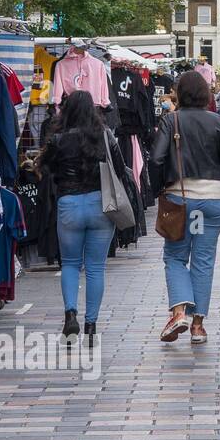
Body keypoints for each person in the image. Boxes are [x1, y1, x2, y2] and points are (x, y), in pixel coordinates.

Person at [150, 70, 220, 344]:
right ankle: (198, 326)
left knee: (176, 257)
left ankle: (179, 311)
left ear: (180, 93)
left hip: (182, 201)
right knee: (203, 261)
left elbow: (156, 159)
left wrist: (159, 190)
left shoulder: (171, 120)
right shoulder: (217, 122)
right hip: (212, 202)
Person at [38, 91, 130, 346]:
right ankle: (91, 324)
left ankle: (70, 314)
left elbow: (44, 168)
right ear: (93, 110)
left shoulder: (57, 139)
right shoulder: (106, 135)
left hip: (68, 204)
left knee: (69, 264)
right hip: (100, 204)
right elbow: (120, 170)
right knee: (96, 267)